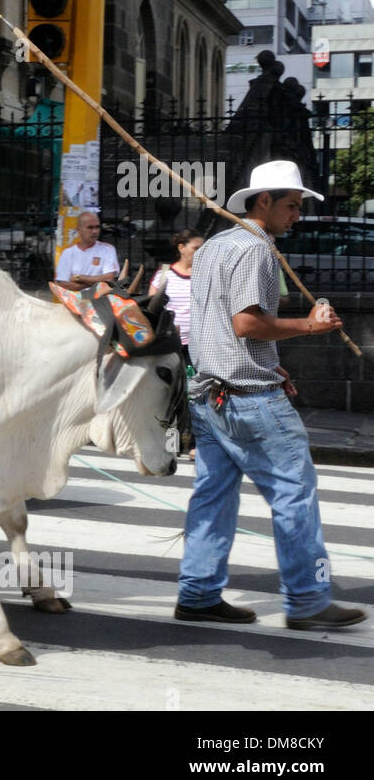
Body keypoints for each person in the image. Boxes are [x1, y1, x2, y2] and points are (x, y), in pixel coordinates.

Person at [177, 160, 366, 630]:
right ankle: (307, 599)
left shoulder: (215, 246)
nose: (297, 215)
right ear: (264, 201)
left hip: (209, 392)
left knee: (213, 495)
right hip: (246, 399)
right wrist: (310, 325)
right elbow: (246, 323)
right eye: (291, 205)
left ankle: (198, 593)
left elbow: (217, 326)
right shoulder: (255, 251)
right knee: (294, 492)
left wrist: (266, 360)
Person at [148, 228, 204, 357]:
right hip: (171, 342)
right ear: (181, 248)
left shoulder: (206, 275)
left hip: (201, 344)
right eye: (196, 248)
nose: (200, 253)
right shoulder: (164, 275)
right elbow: (151, 308)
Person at [53, 211, 117, 290]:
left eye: (97, 227)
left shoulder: (108, 250)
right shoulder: (68, 253)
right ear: (79, 230)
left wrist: (79, 278)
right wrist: (94, 285)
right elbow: (62, 284)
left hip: (100, 300)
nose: (95, 231)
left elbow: (109, 279)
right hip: (74, 300)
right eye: (90, 227)